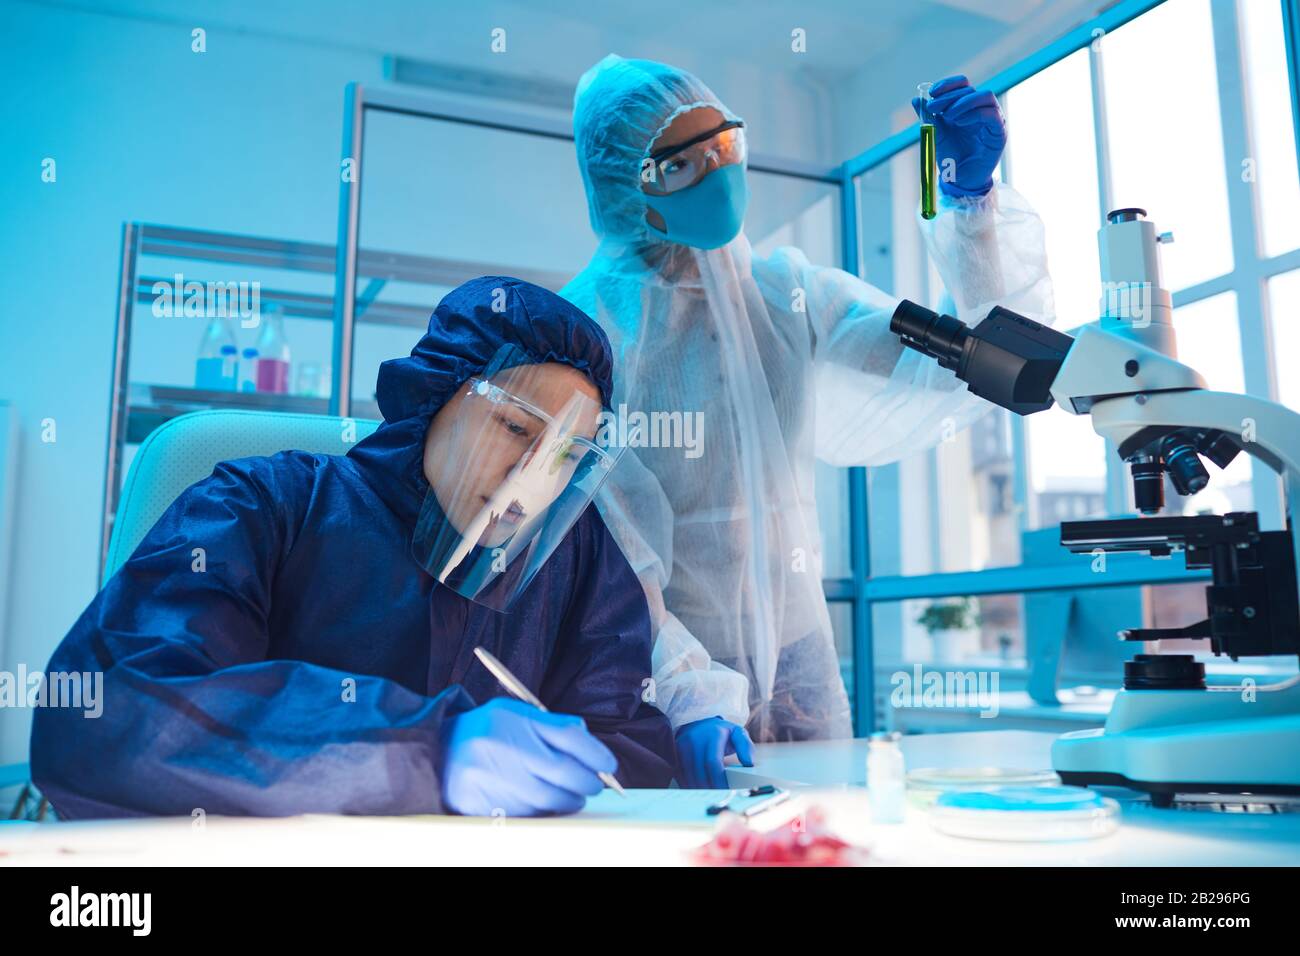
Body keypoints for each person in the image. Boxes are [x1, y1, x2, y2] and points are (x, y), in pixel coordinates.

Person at [562, 57, 1054, 785]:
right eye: (680, 164)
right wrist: (686, 689)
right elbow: (607, 548)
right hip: (659, 669)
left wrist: (971, 209)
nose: (716, 173)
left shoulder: (786, 290)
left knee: (822, 835)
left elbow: (969, 360)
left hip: (799, 653)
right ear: (622, 188)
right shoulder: (588, 327)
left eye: (723, 147)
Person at [30, 276, 675, 819]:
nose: (533, 480)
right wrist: (422, 750)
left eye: (565, 455)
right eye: (513, 427)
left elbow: (620, 742)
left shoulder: (574, 558)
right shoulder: (263, 506)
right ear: (437, 392)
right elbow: (111, 711)